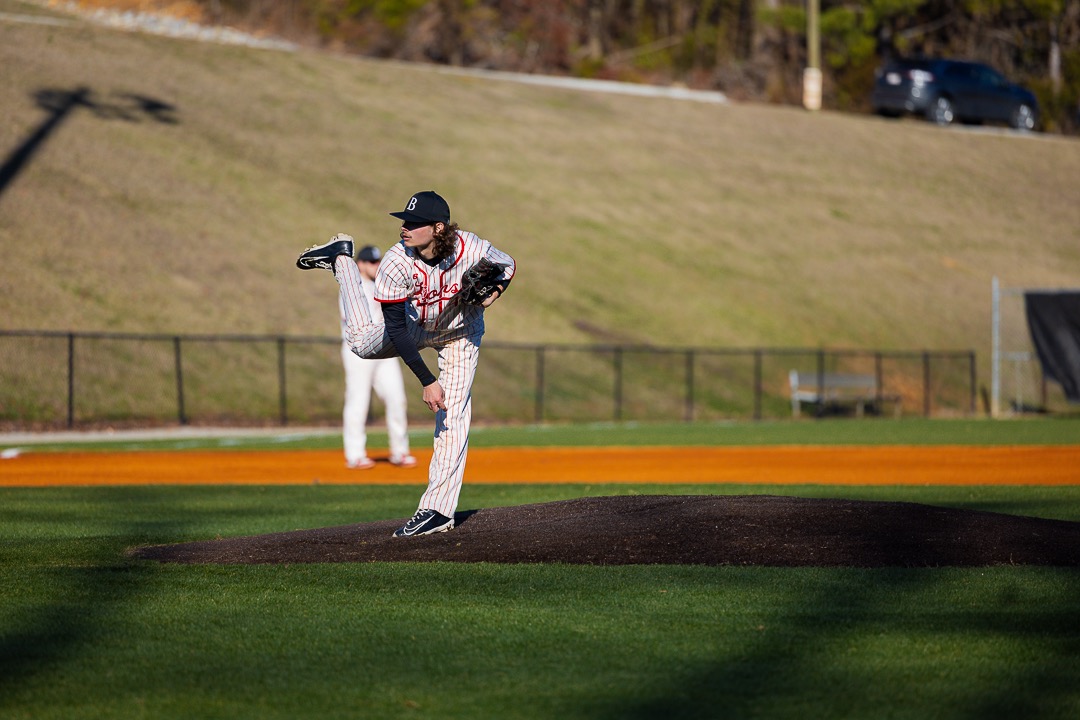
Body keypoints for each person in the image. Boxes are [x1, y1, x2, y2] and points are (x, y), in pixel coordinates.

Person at [297, 190, 516, 538]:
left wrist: (494, 292)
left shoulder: (470, 246)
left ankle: (437, 510)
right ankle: (341, 261)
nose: (405, 228)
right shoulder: (397, 262)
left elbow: (507, 263)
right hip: (413, 327)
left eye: (414, 223)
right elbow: (396, 329)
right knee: (359, 343)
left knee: (453, 415)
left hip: (461, 331)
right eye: (404, 221)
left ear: (439, 227)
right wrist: (427, 380)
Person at [339, 245, 416, 470]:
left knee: (396, 397)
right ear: (360, 264)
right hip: (358, 351)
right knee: (358, 400)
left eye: (378, 261)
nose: (376, 265)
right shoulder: (352, 287)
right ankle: (355, 454)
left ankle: (399, 451)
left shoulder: (383, 284)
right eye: (371, 262)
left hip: (385, 348)